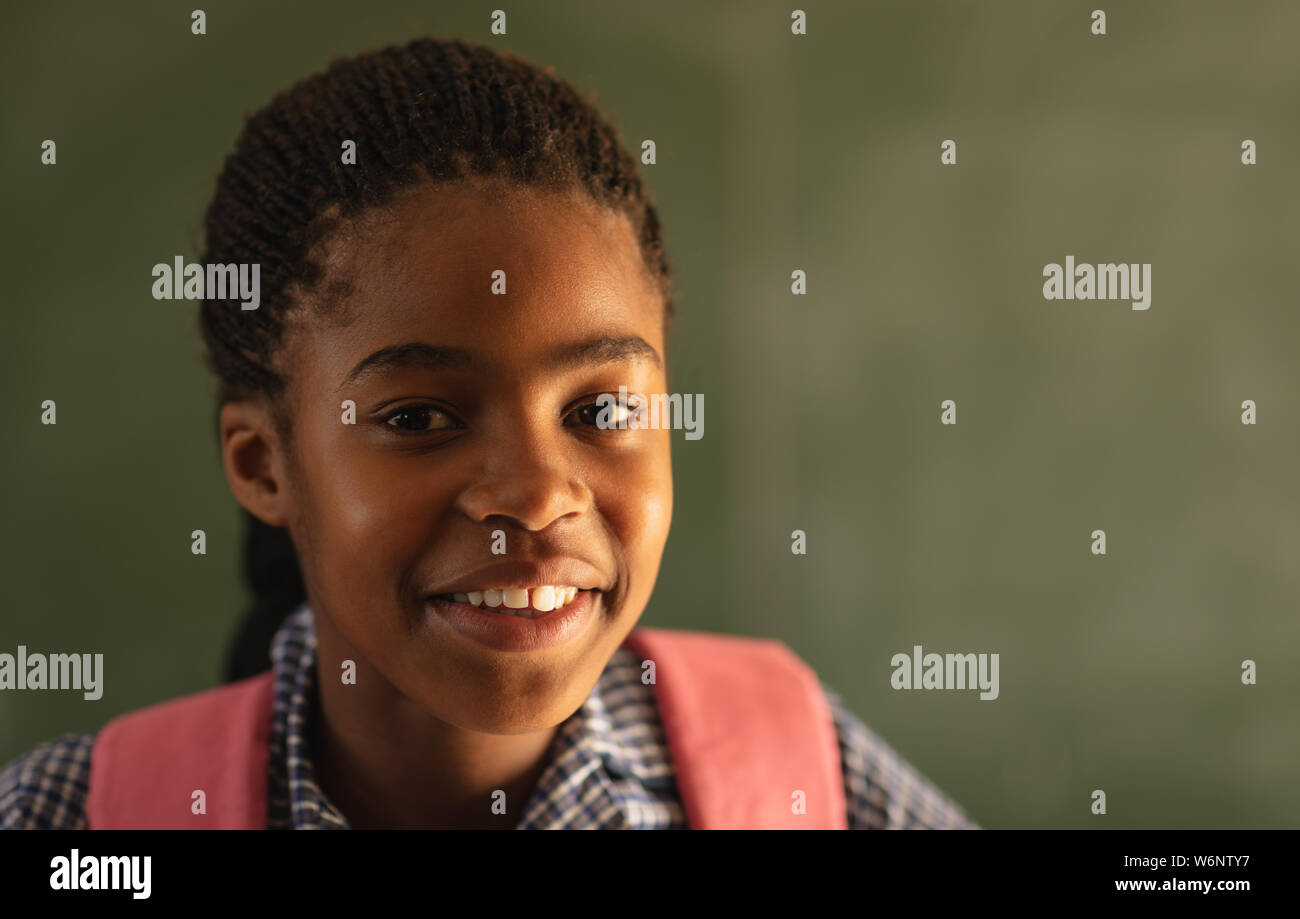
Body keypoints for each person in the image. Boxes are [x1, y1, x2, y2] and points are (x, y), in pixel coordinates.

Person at [0, 36, 976, 830]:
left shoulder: (796, 771)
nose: (538, 492)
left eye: (599, 411)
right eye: (419, 417)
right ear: (263, 465)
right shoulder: (79, 821)